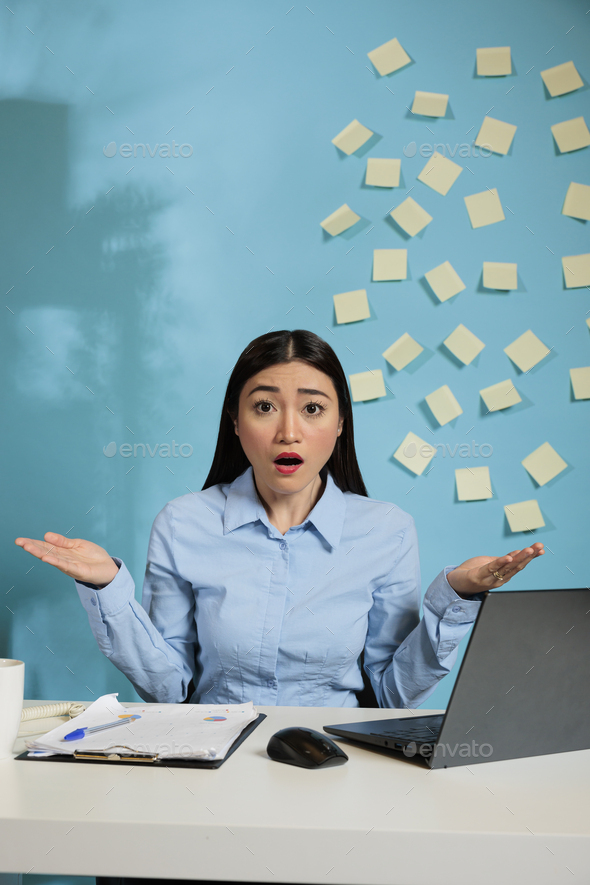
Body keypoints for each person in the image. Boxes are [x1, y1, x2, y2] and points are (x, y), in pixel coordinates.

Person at [15, 329, 544, 712]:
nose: (288, 432)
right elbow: (169, 689)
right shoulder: (183, 523)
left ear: (340, 425)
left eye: (312, 409)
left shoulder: (387, 530)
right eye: (265, 407)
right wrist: (108, 587)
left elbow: (391, 696)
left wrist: (456, 596)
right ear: (236, 423)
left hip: (337, 768)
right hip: (211, 763)